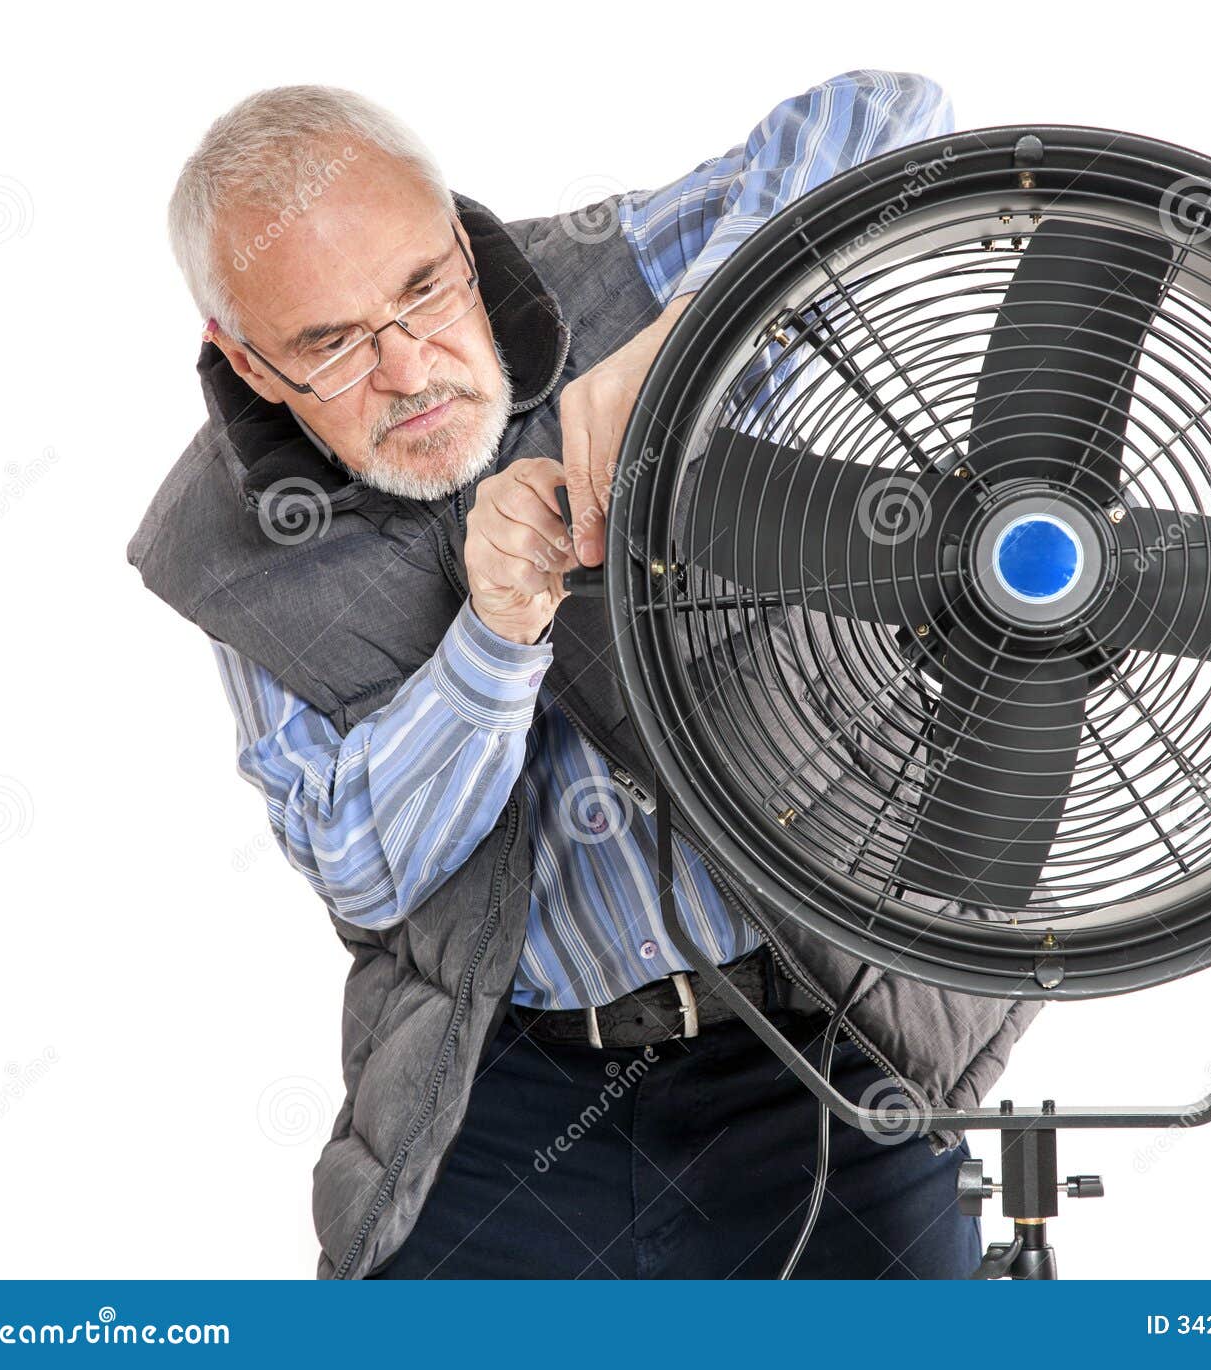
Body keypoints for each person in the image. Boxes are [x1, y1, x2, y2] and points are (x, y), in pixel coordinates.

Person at [130, 70, 1039, 1279]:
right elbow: (357, 859)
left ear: (459, 238)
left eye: (422, 290)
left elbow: (893, 116)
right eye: (334, 346)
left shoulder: (616, 268)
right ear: (245, 363)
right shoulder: (229, 539)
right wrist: (492, 643)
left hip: (811, 1040)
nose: (410, 370)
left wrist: (696, 329)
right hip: (497, 1089)